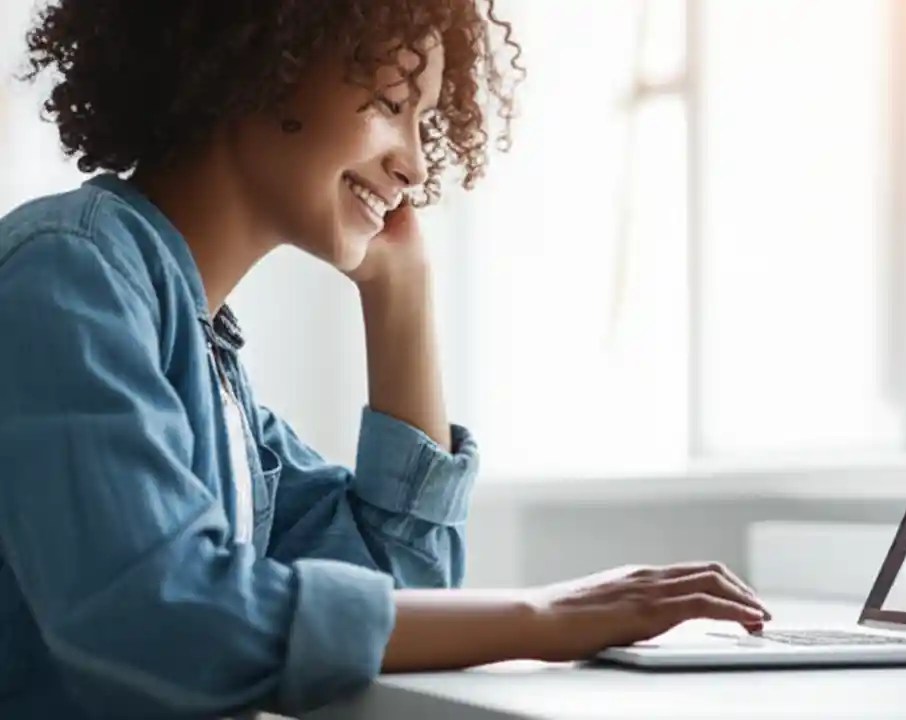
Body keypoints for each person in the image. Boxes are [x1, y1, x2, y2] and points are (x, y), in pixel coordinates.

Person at [0, 2, 770, 717]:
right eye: (392, 103)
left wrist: (402, 298)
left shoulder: (209, 366)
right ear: (266, 61)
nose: (416, 166)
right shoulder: (68, 275)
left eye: (425, 121)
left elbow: (396, 594)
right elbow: (158, 616)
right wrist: (540, 615)